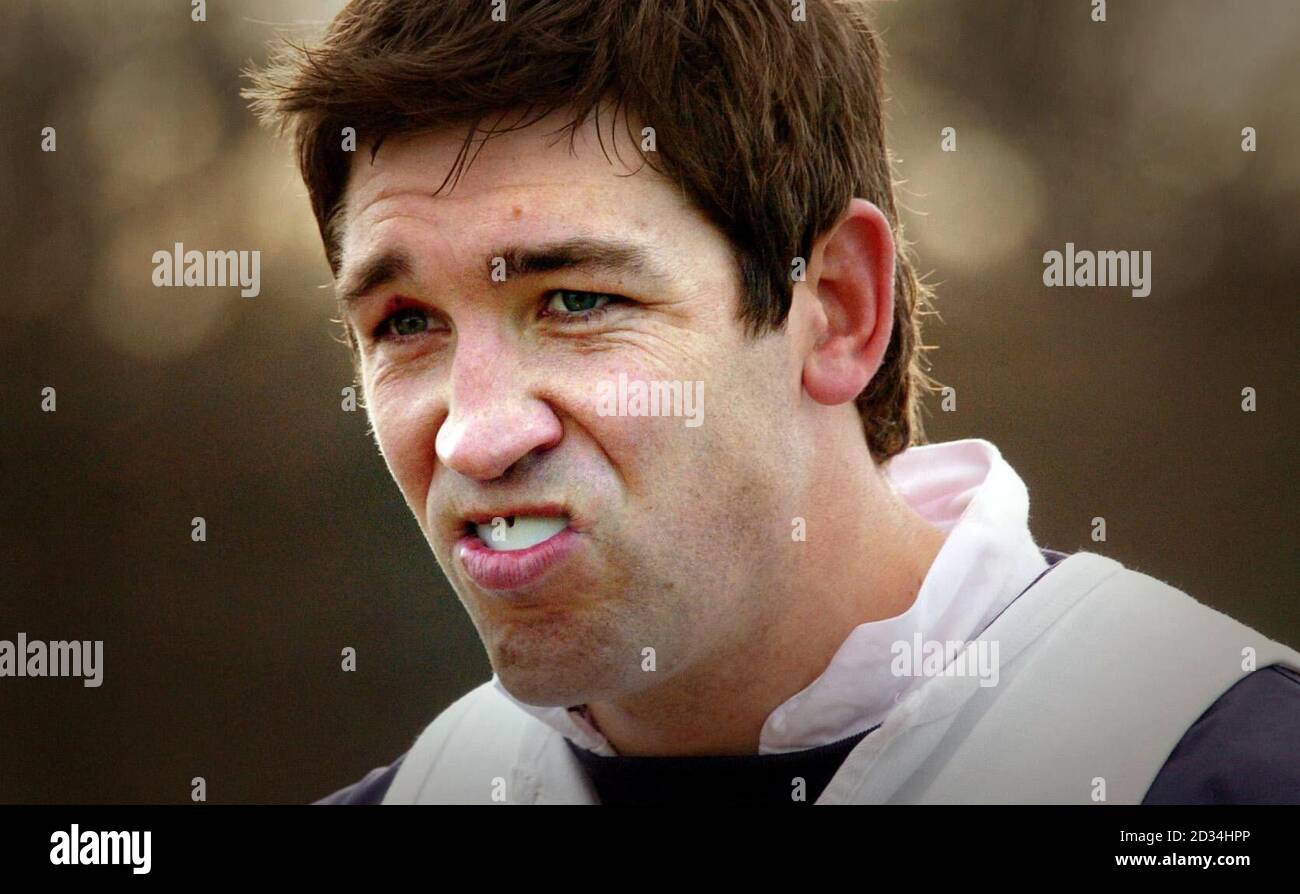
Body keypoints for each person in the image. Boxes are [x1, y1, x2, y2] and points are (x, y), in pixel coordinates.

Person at [246, 0, 1300, 804]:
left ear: (835, 308)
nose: (476, 434)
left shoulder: (1219, 768)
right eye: (404, 324)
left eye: (574, 300)